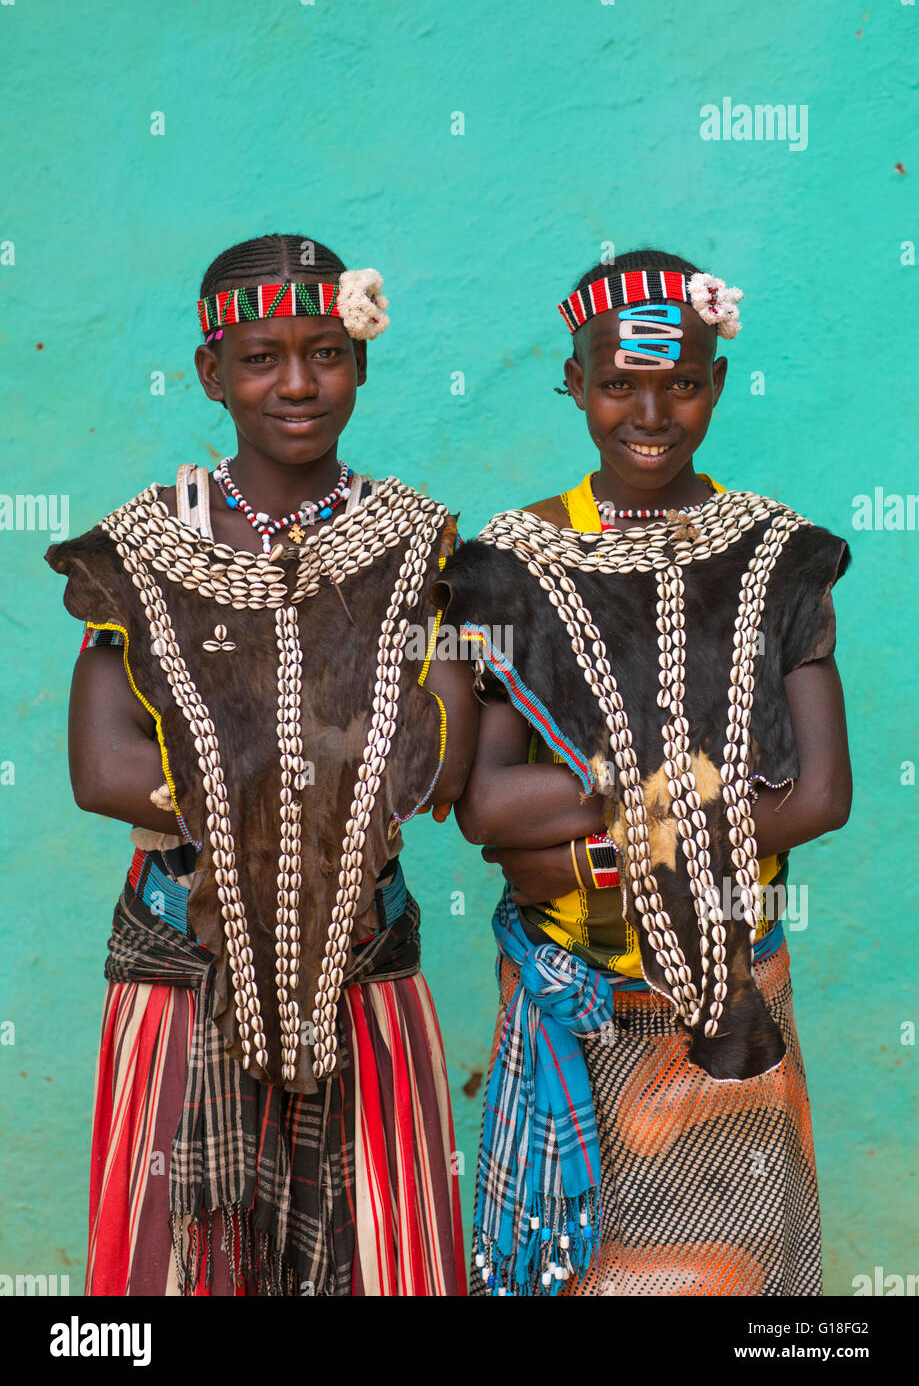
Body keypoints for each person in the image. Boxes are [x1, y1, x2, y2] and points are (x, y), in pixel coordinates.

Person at [45, 232, 475, 1297]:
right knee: (183, 1264)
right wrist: (308, 789)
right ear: (211, 375)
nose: (297, 383)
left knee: (382, 1255)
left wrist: (253, 777)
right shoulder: (147, 547)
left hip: (361, 964)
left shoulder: (417, 542)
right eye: (260, 358)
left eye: (326, 351)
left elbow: (444, 757)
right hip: (183, 967)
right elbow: (101, 765)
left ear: (362, 361)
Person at [436, 248, 852, 1297]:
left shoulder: (775, 556)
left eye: (680, 381)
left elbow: (818, 795)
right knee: (582, 1268)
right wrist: (680, 783)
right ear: (574, 381)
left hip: (734, 989)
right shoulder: (511, 561)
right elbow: (483, 804)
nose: (650, 410)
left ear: (715, 380)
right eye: (618, 380)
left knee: (745, 1270)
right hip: (575, 997)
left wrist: (582, 843)